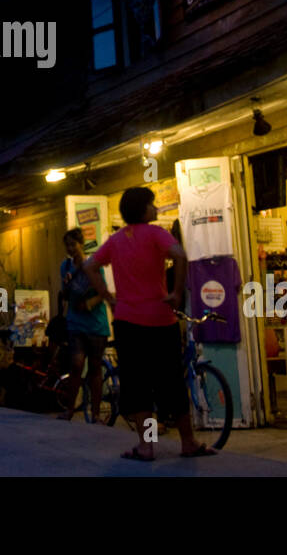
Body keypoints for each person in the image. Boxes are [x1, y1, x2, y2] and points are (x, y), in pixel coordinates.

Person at [84, 187, 216, 460]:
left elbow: (89, 266)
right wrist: (177, 292)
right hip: (160, 319)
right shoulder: (156, 234)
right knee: (171, 381)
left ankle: (146, 446)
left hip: (128, 321)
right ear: (142, 209)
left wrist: (108, 297)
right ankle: (188, 442)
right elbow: (180, 255)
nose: (155, 209)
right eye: (152, 204)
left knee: (136, 383)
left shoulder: (116, 239)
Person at [57, 228, 111, 421]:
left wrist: (88, 304)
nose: (71, 249)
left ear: (81, 244)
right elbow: (64, 295)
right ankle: (70, 409)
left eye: (74, 244)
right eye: (68, 245)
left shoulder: (94, 265)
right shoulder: (65, 266)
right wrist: (65, 286)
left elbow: (102, 292)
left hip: (96, 324)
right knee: (76, 364)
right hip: (75, 323)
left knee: (95, 367)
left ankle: (96, 413)